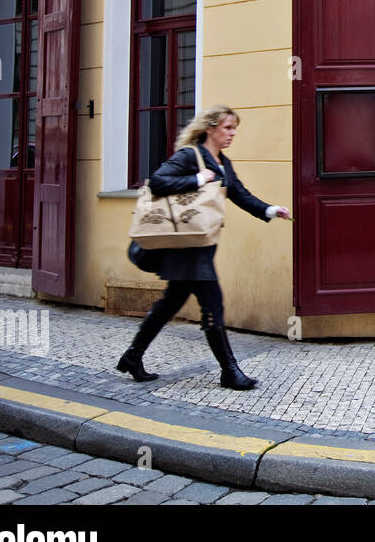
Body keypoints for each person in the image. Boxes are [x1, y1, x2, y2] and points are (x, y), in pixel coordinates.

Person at [116, 104, 291, 389]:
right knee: (213, 305)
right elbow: (158, 181)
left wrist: (271, 210)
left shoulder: (223, 162)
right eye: (227, 128)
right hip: (185, 249)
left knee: (168, 304)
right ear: (210, 128)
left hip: (199, 246)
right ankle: (229, 371)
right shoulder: (190, 156)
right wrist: (198, 178)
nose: (232, 134)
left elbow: (240, 195)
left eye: (235, 128)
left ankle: (132, 357)